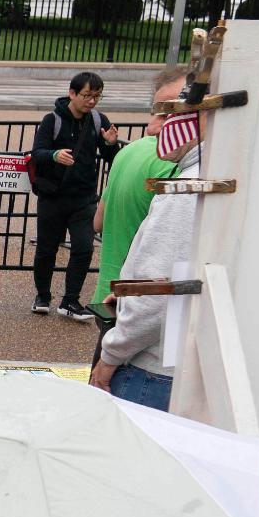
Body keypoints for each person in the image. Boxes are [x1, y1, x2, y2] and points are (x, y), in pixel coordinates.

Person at [90, 96, 203, 411]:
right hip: (157, 343)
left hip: (150, 364)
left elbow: (157, 292)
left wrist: (111, 355)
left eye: (165, 115)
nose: (153, 128)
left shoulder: (184, 188)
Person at [90, 68, 185, 341]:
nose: (153, 127)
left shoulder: (129, 151)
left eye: (166, 113)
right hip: (141, 308)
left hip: (109, 292)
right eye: (159, 112)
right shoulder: (172, 165)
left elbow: (98, 222)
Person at [29, 72, 119, 321]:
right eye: (87, 95)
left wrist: (111, 144)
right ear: (72, 93)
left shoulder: (99, 120)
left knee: (83, 247)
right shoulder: (52, 120)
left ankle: (70, 301)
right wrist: (55, 155)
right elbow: (37, 153)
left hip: (84, 198)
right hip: (53, 196)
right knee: (47, 249)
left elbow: (113, 160)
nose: (91, 101)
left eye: (97, 97)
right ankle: (43, 296)